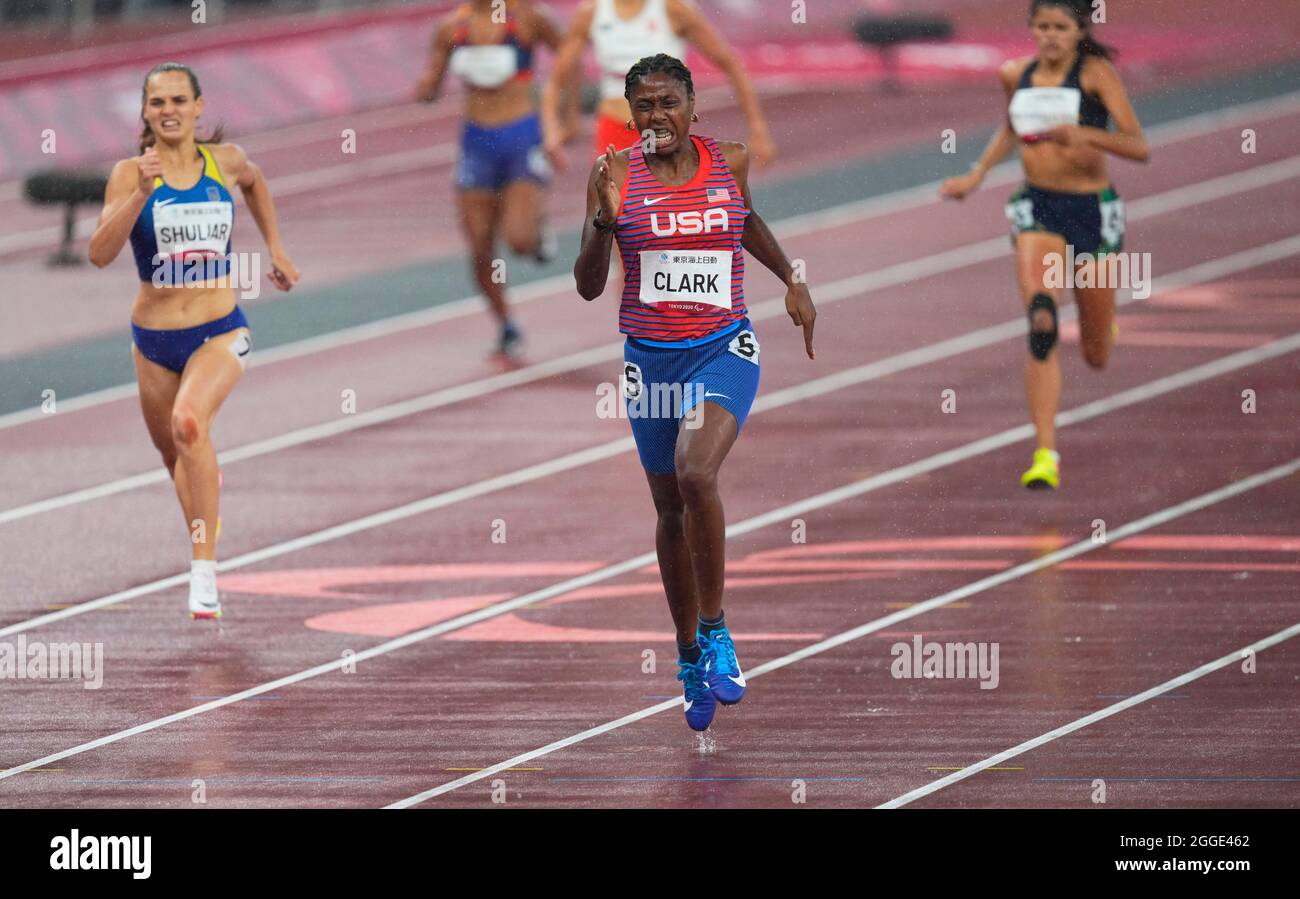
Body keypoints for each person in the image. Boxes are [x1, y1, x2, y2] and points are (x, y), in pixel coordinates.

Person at [573, 54, 815, 731]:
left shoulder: (729, 160)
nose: (658, 117)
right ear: (631, 117)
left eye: (669, 102)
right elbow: (589, 285)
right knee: (668, 509)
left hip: (721, 348)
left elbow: (745, 221)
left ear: (692, 106)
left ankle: (715, 630)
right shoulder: (614, 174)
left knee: (695, 470)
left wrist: (792, 280)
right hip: (649, 361)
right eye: (644, 107)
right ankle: (686, 657)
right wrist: (600, 222)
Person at [88, 62, 299, 619]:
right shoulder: (126, 174)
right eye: (158, 103)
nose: (169, 111)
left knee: (188, 424)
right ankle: (206, 498)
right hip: (153, 340)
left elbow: (255, 181)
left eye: (179, 100)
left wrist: (276, 248)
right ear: (145, 112)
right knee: (173, 454)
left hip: (220, 328)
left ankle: (202, 572)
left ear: (199, 106)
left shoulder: (222, 162)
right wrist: (138, 195)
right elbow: (99, 253)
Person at [941, 0, 1148, 490]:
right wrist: (977, 173)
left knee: (1096, 354)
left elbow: (1139, 145)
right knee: (1041, 319)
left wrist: (1088, 135)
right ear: (1031, 29)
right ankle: (1044, 454)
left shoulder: (1096, 75)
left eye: (1061, 28)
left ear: (1080, 31)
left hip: (1092, 210)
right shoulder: (1016, 74)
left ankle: (1104, 322)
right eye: (1042, 27)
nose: (1051, 36)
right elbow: (1012, 127)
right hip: (1038, 207)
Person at [416, 0, 566, 357]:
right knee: (480, 246)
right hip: (475, 145)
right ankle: (506, 324)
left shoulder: (529, 18)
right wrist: (425, 87)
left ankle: (537, 228)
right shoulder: (451, 28)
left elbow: (570, 60)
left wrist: (562, 116)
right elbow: (431, 85)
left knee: (519, 240)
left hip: (521, 135)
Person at [540, 0, 776, 172]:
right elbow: (557, 77)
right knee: (616, 216)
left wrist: (757, 127)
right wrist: (551, 128)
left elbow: (730, 63)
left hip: (667, 129)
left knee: (671, 212)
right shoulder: (591, 12)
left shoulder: (673, 9)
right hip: (615, 128)